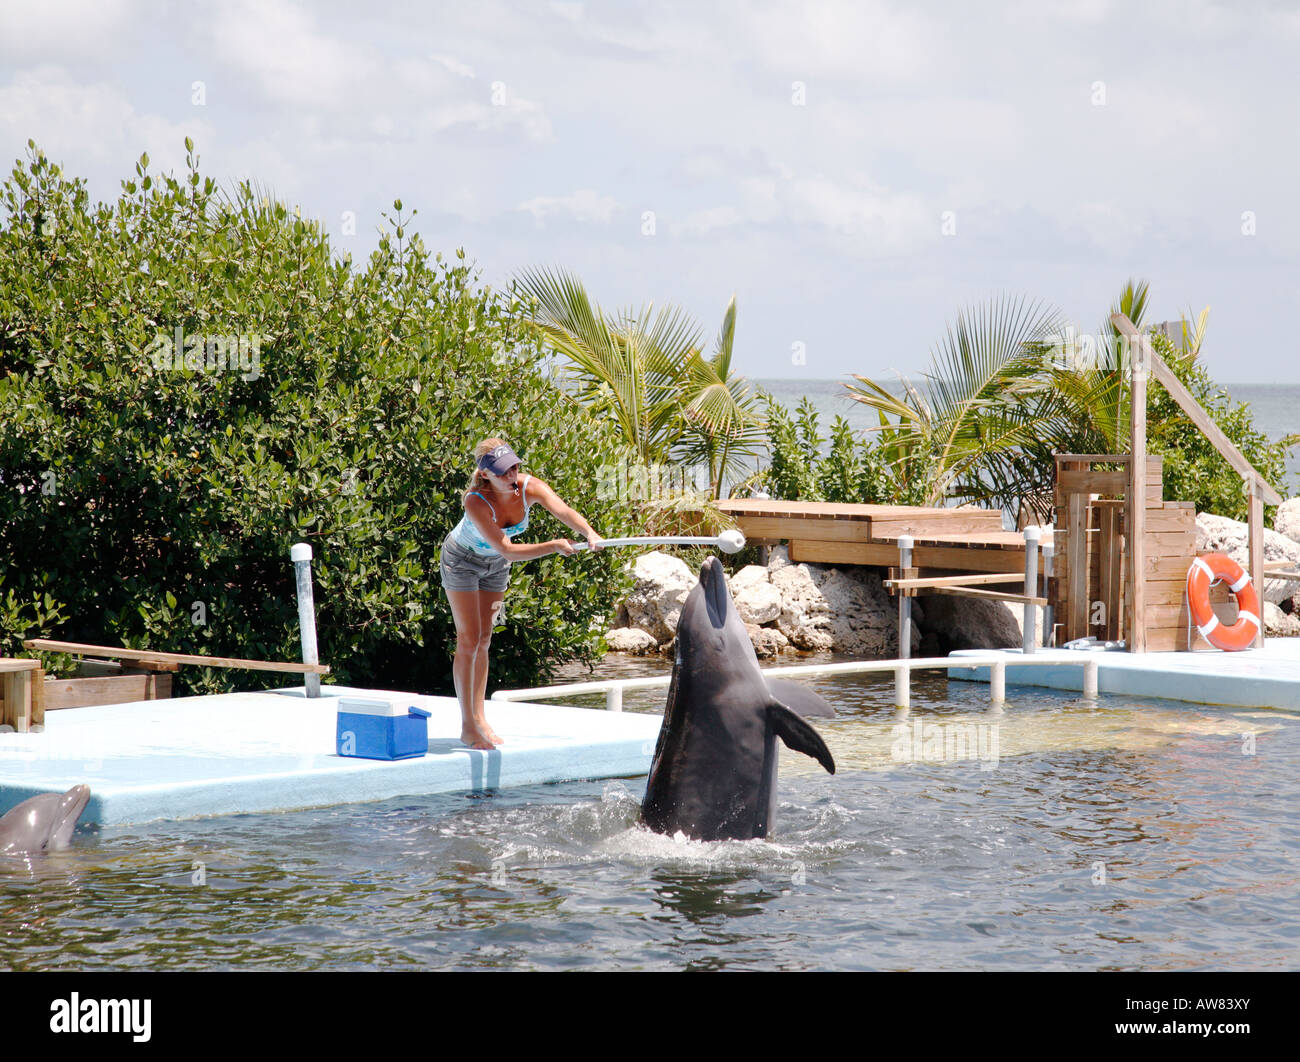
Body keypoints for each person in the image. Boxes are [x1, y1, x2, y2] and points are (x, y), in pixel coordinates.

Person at [439, 438, 603, 749]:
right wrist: (553, 546)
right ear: (486, 474)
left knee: (485, 638)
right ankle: (467, 726)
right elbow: (508, 549)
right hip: (462, 561)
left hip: (495, 566)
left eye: (515, 466)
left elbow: (564, 511)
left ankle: (480, 716)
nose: (512, 474)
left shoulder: (530, 487)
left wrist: (589, 533)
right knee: (469, 639)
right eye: (504, 471)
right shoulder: (475, 501)